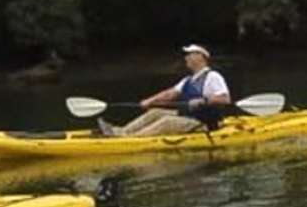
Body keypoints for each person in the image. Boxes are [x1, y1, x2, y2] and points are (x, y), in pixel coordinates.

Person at [99, 44, 231, 138]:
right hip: (188, 117)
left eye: (189, 54)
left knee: (168, 120)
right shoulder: (188, 80)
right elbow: (169, 94)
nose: (186, 58)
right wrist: (150, 101)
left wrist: (204, 100)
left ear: (200, 57)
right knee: (155, 112)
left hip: (204, 123)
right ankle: (120, 131)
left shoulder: (213, 76)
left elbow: (225, 99)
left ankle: (131, 139)